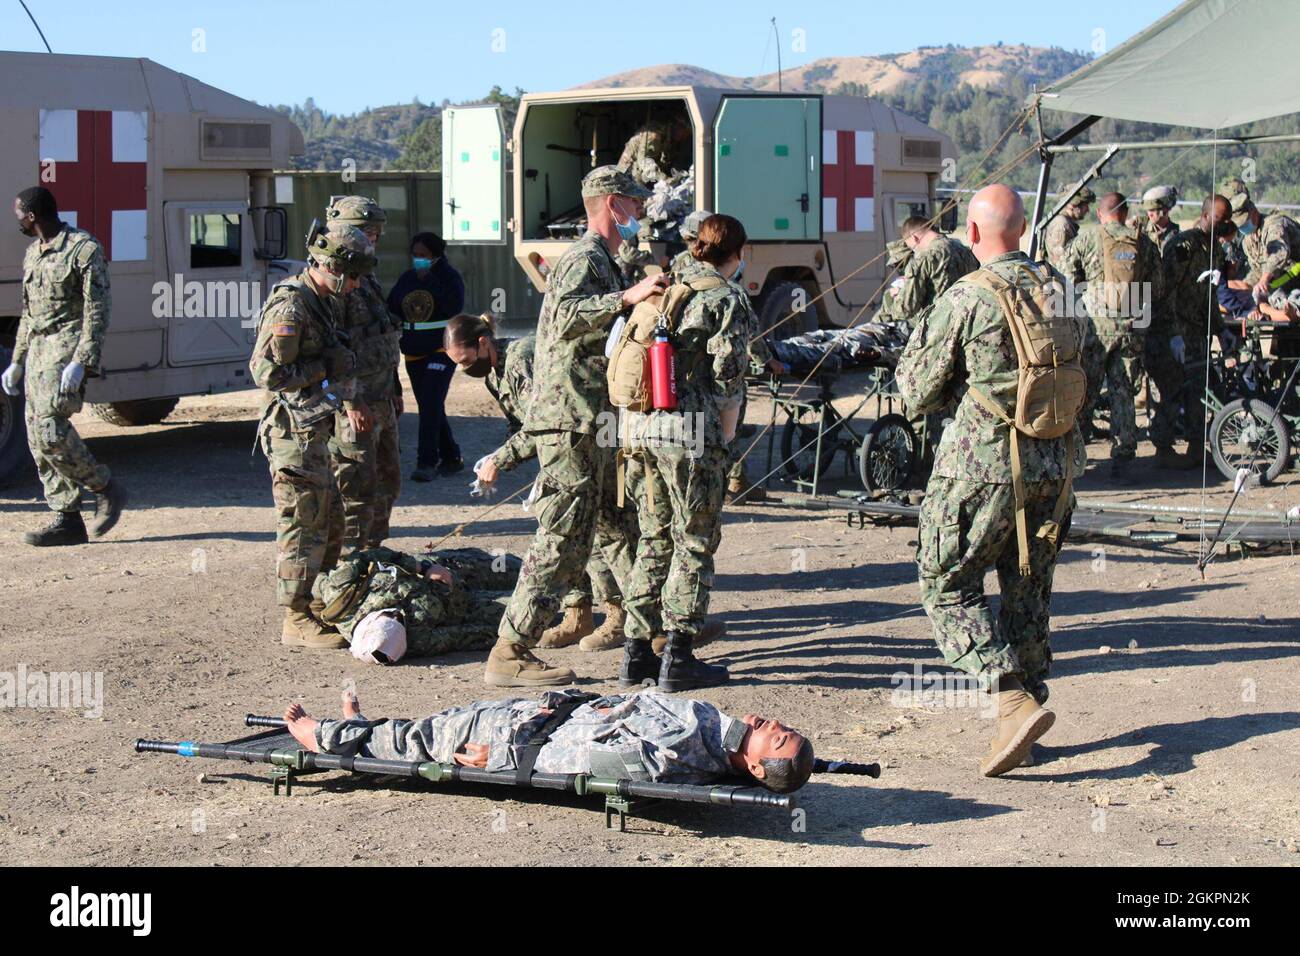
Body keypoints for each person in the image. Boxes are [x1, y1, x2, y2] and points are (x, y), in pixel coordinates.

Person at [896, 184, 1086, 777]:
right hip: (1055, 464)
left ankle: (1009, 698)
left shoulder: (967, 296)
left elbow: (917, 390)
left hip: (983, 466)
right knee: (1027, 588)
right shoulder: (1062, 288)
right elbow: (1092, 369)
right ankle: (1028, 715)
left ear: (972, 234)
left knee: (946, 582)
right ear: (1024, 228)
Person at [482, 166, 668, 687]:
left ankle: (651, 627)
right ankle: (510, 649)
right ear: (613, 204)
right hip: (569, 421)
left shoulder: (607, 261)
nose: (639, 212)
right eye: (634, 203)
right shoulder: (583, 259)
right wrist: (626, 299)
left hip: (594, 419)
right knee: (562, 534)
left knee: (618, 524)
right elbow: (564, 318)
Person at [444, 312, 638, 652]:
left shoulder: (523, 359)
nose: (465, 369)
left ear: (483, 342)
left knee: (608, 531)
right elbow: (520, 426)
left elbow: (543, 424)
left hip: (589, 444)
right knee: (571, 530)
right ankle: (579, 614)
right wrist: (500, 457)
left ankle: (623, 615)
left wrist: (500, 460)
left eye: (465, 360)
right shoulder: (495, 373)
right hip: (560, 454)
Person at [621, 214, 753, 692]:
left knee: (654, 537)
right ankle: (678, 654)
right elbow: (729, 374)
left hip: (641, 427)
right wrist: (728, 433)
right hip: (691, 431)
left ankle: (635, 650)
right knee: (695, 538)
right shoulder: (726, 297)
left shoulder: (666, 283)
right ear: (736, 252)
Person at [283, 687, 815, 794]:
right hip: (546, 709)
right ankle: (358, 730)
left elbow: (593, 760)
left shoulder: (676, 753)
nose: (775, 727)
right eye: (784, 729)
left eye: (779, 740)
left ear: (755, 768)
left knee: (421, 740)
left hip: (523, 733)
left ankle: (323, 737)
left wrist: (508, 759)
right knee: (431, 723)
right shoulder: (718, 732)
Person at [249, 221, 373, 648]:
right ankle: (294, 616)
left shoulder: (326, 301)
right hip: (291, 432)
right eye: (353, 276)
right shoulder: (292, 307)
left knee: (330, 519)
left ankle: (320, 603)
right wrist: (324, 369)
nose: (356, 285)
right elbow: (267, 373)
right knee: (302, 521)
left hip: (315, 427)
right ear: (333, 267)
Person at [5, 186, 127, 546]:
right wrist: (16, 361)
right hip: (38, 353)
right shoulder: (33, 255)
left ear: (34, 215)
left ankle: (105, 486)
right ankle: (67, 518)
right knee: (34, 437)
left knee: (50, 429)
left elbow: (98, 310)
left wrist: (83, 361)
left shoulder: (83, 250)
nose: (18, 222)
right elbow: (28, 314)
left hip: (66, 350)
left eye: (20, 216)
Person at [321, 196, 402, 555]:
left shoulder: (365, 277)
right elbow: (333, 349)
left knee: (387, 481)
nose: (375, 239)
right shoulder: (333, 280)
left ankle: (374, 553)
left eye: (377, 233)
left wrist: (395, 387)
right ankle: (349, 564)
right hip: (356, 404)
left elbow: (382, 334)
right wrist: (352, 400)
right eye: (369, 232)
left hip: (381, 396)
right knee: (356, 488)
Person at [1062, 192, 1163, 481]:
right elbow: (1156, 288)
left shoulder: (1086, 239)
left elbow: (1068, 281)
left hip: (1095, 328)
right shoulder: (1142, 241)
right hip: (1132, 327)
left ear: (1100, 214)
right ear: (1125, 211)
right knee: (1124, 393)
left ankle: (1075, 458)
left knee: (1085, 391)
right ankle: (1123, 460)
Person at [311, 545, 521, 660]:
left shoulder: (341, 593)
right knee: (527, 602)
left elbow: (370, 555)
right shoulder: (415, 642)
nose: (398, 614)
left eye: (391, 616)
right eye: (400, 621)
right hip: (467, 604)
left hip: (451, 567)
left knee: (513, 566)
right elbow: (468, 635)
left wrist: (422, 566)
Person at [1164, 195, 1236, 461]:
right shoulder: (1183, 245)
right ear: (1206, 215)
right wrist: (1172, 334)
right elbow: (1166, 291)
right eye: (1219, 218)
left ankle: (1196, 446)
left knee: (1199, 388)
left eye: (1227, 219)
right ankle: (1163, 448)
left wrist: (1221, 330)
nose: (1224, 224)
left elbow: (1210, 296)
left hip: (1197, 330)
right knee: (1172, 388)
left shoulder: (1214, 249)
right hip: (1176, 329)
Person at [389, 232, 464, 482]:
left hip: (441, 350)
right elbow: (392, 307)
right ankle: (452, 455)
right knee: (429, 405)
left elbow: (454, 305)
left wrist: (430, 281)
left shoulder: (449, 277)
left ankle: (427, 462)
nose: (418, 260)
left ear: (436, 256)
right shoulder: (407, 279)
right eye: (415, 255)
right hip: (413, 352)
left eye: (423, 256)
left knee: (431, 402)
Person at [895, 216, 979, 321]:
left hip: (938, 325)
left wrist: (898, 295)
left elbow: (906, 309)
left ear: (913, 237)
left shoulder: (923, 257)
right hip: (967, 322)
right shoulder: (964, 250)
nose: (914, 250)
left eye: (911, 247)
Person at [618, 116, 691, 188]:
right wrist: (665, 179)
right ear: (679, 126)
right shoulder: (654, 135)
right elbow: (645, 163)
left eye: (687, 135)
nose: (684, 137)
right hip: (630, 176)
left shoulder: (672, 140)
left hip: (647, 177)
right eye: (685, 133)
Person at [1042, 183, 1095, 274]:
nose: (1088, 210)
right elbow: (1062, 264)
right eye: (1085, 205)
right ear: (1072, 205)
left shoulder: (1066, 223)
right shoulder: (1062, 225)